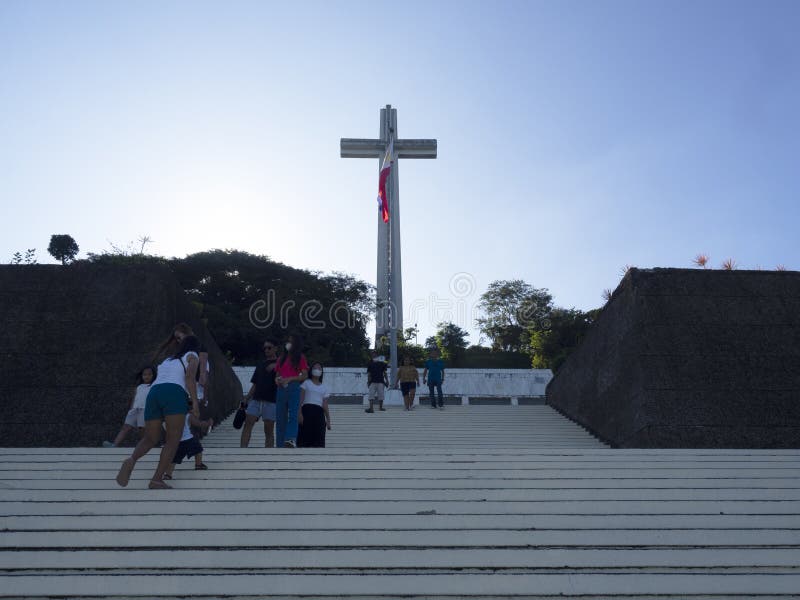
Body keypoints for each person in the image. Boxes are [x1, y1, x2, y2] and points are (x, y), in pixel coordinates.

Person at [115, 334, 200, 489]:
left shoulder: (167, 360)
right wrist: (195, 402)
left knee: (150, 438)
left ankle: (132, 459)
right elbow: (189, 378)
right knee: (173, 440)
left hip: (153, 393)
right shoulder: (193, 356)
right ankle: (156, 480)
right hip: (173, 392)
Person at [103, 365, 156, 447]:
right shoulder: (139, 387)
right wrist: (131, 409)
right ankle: (114, 444)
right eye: (145, 375)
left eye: (149, 374)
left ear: (153, 375)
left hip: (144, 409)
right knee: (125, 427)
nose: (147, 376)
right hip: (134, 410)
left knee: (142, 428)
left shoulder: (154, 386)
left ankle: (145, 445)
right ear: (142, 376)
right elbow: (134, 398)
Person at [241, 340, 279, 448]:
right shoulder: (260, 364)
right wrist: (247, 398)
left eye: (269, 347)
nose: (266, 350)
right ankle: (242, 451)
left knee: (268, 429)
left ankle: (269, 454)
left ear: (275, 348)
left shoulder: (280, 364)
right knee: (248, 424)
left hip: (271, 401)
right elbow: (255, 384)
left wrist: (276, 365)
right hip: (256, 399)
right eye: (265, 348)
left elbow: (289, 366)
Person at [163, 400, 213, 480]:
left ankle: (168, 474)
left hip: (176, 441)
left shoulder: (168, 417)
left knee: (174, 459)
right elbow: (199, 424)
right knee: (198, 450)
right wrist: (208, 423)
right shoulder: (187, 416)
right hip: (188, 439)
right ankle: (198, 464)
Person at [274, 334, 308, 448]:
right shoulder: (281, 359)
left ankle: (290, 439)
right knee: (280, 417)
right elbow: (277, 374)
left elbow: (304, 375)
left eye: (291, 342)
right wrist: (277, 380)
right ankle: (279, 443)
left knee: (293, 415)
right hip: (281, 389)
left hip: (293, 387)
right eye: (287, 341)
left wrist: (291, 378)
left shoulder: (300, 358)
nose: (288, 343)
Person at [298, 362, 331, 448]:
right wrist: (299, 413)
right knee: (304, 438)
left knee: (319, 439)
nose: (317, 370)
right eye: (315, 368)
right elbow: (300, 400)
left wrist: (328, 420)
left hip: (319, 414)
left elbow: (325, 405)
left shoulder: (325, 387)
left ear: (322, 372)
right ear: (311, 370)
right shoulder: (306, 383)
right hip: (306, 411)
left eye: (319, 368)